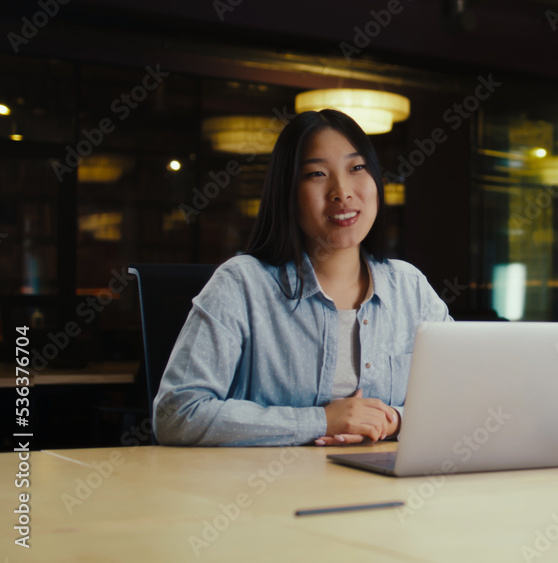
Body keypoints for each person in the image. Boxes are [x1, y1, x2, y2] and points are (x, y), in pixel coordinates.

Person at [153, 109, 452, 447]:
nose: (342, 191)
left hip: (384, 487)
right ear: (288, 193)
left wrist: (394, 420)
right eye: (317, 174)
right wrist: (322, 421)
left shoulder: (410, 288)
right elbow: (176, 414)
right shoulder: (242, 284)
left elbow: (465, 398)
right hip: (265, 492)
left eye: (357, 168)